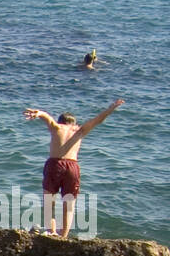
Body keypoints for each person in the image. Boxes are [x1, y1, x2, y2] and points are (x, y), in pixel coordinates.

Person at [23, 99, 123, 238]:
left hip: (54, 165)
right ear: (74, 123)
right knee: (68, 205)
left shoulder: (56, 127)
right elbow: (98, 120)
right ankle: (63, 236)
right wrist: (111, 108)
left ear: (60, 122)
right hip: (72, 166)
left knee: (48, 202)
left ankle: (51, 232)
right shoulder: (79, 130)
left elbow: (47, 118)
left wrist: (38, 113)